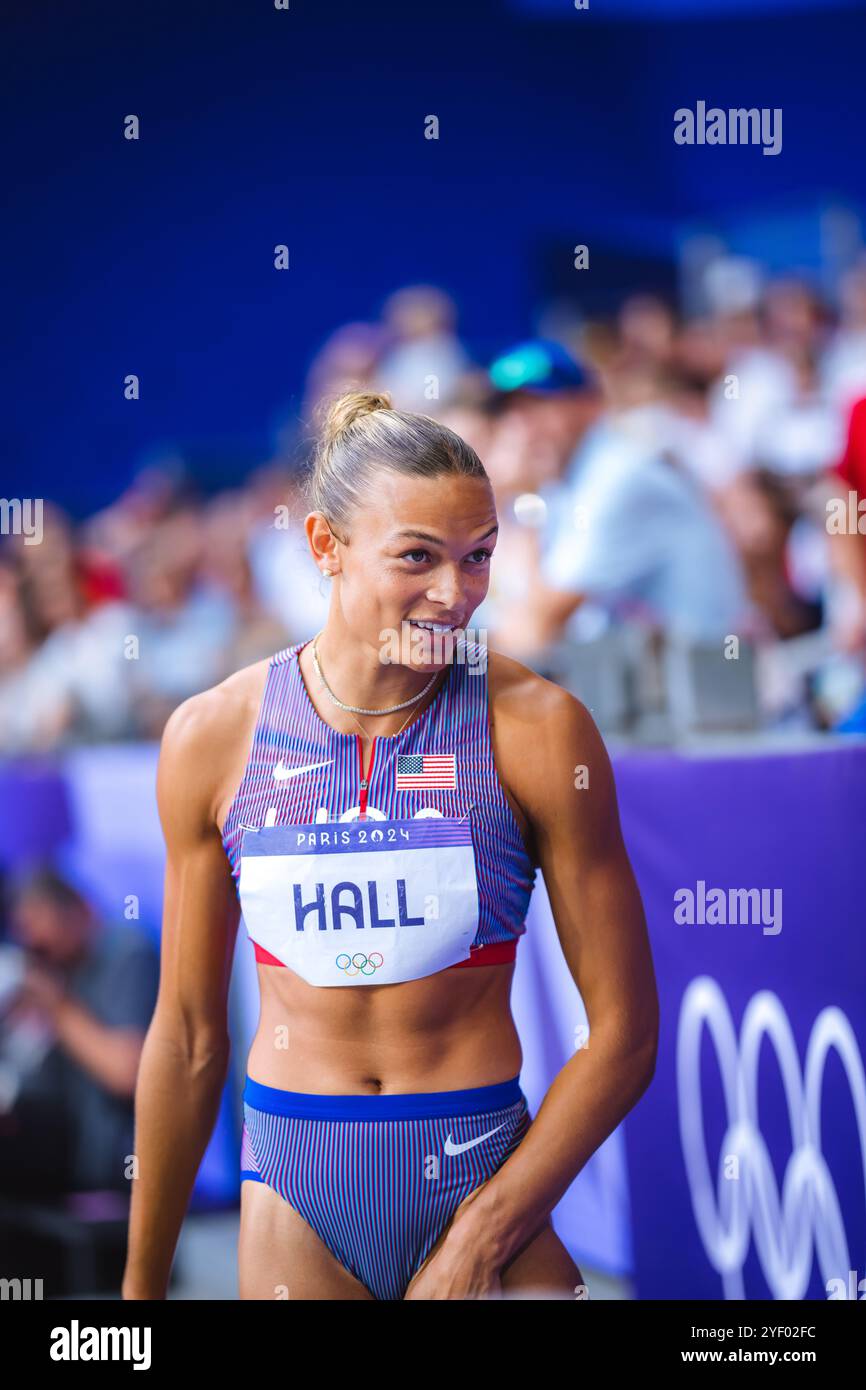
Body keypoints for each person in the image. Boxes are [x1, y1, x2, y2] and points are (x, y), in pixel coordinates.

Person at [122, 390, 658, 1301]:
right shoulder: (212, 737)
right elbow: (185, 1037)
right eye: (417, 557)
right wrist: (135, 1304)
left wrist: (481, 1239)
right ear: (325, 545)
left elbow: (626, 1035)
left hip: (484, 1175)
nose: (456, 595)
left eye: (479, 556)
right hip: (297, 1194)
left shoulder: (539, 728)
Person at [487, 339, 752, 658]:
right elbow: (522, 612)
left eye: (538, 406)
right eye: (511, 411)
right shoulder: (566, 481)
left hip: (713, 684)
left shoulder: (616, 476)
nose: (523, 427)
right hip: (663, 684)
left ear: (590, 404)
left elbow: (531, 633)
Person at [0, 866, 159, 1195]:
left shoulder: (127, 952)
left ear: (77, 911)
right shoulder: (63, 967)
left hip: (120, 1172)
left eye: (42, 940)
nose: (36, 950)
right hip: (66, 1166)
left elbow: (126, 1071)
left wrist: (56, 1006)